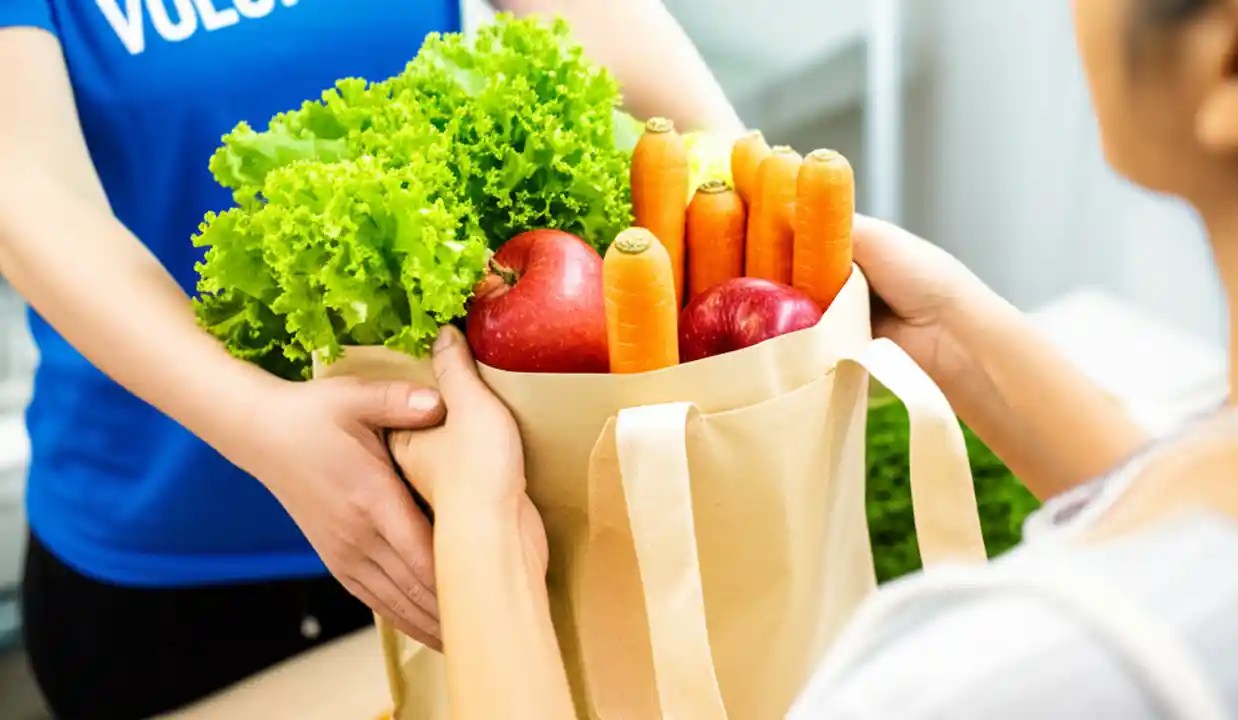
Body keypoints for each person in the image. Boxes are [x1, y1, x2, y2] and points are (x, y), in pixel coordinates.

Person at [391, 0, 1238, 716]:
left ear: (1236, 61)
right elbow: (1191, 537)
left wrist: (483, 538)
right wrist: (957, 337)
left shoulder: (995, 676)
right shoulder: (1235, 462)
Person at [0, 1, 741, 717]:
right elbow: (26, 185)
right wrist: (253, 416)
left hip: (459, 516)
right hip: (167, 554)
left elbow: (593, 13)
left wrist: (759, 190)